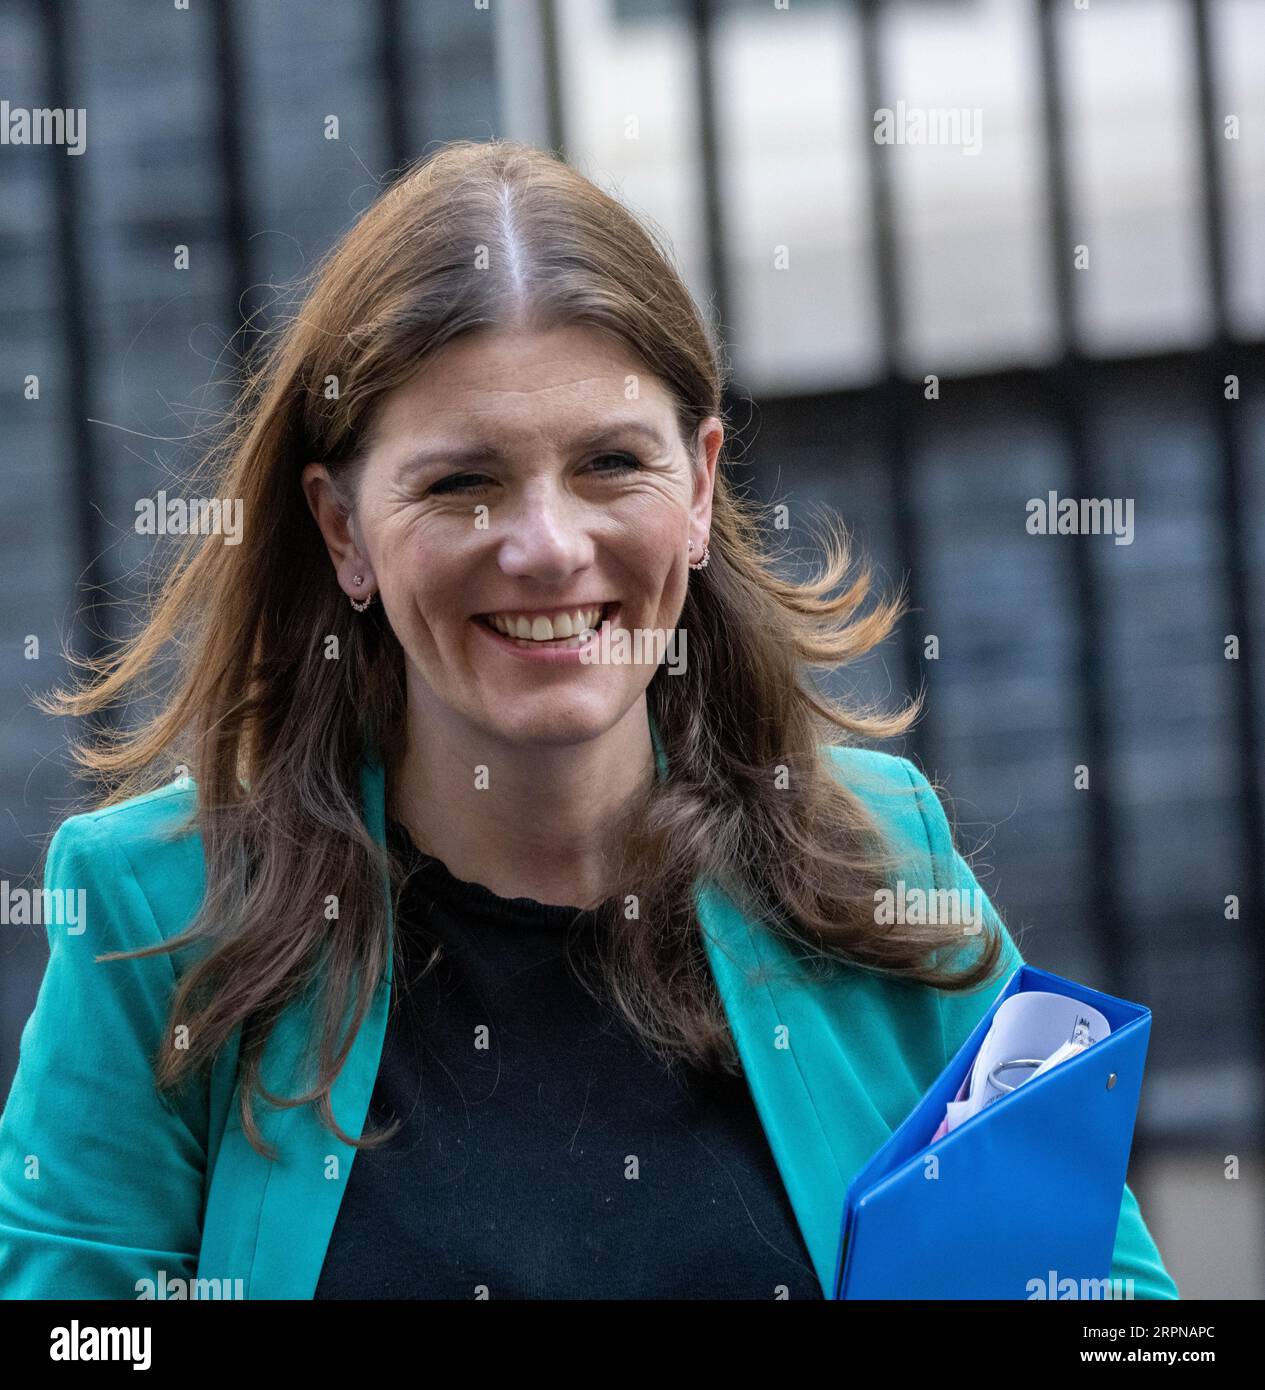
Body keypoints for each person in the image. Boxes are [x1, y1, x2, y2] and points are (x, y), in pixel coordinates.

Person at [0, 140, 1177, 1300]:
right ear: (343, 528)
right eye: (461, 482)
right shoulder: (156, 919)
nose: (549, 547)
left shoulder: (872, 858)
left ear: (701, 484)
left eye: (611, 462)